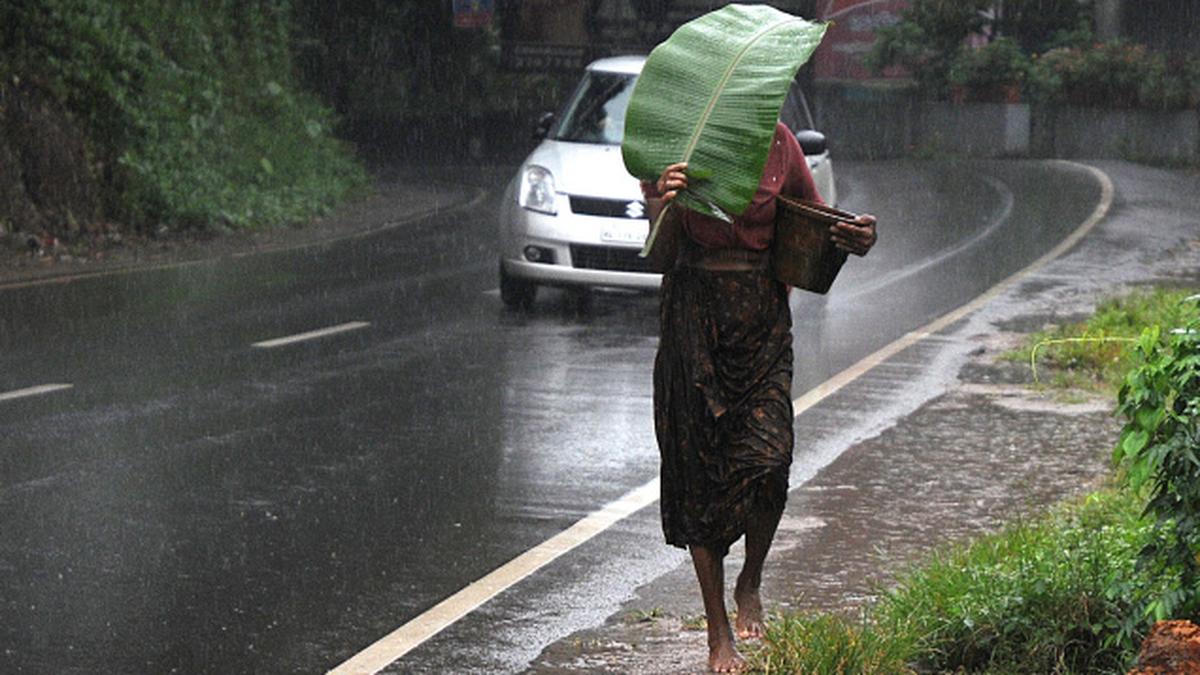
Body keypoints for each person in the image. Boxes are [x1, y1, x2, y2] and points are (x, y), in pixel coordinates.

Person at [641, 121, 877, 672]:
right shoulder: (680, 143)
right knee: (700, 477)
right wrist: (666, 202)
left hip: (763, 324)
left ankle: (751, 577)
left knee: (771, 462)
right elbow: (656, 255)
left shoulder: (780, 143)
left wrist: (858, 237)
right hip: (694, 327)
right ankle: (717, 630)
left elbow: (818, 222)